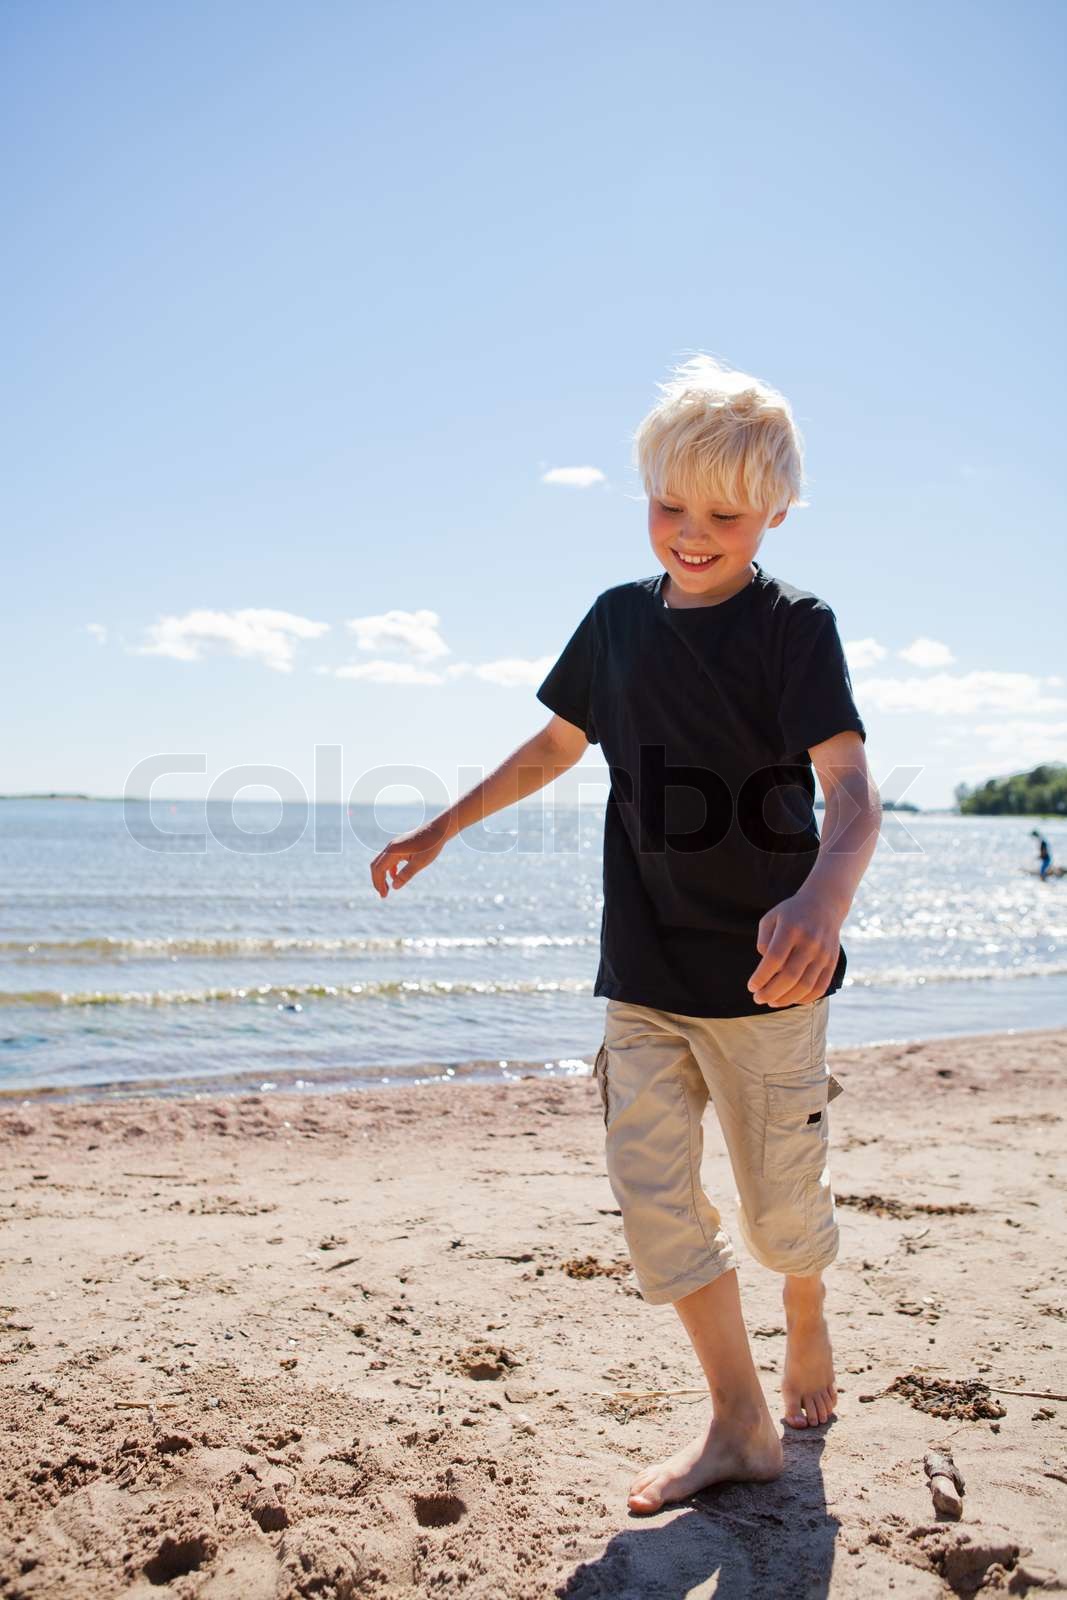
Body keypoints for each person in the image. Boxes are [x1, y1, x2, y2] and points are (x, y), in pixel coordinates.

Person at [370, 353, 882, 1514]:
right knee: (653, 1205)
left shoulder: (794, 628)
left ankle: (803, 1309)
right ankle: (739, 1422)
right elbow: (555, 747)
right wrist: (442, 825)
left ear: (774, 513)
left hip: (766, 978)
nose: (690, 534)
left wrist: (820, 901)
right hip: (643, 969)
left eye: (723, 514)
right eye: (669, 506)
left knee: (780, 1212)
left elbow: (849, 792)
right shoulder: (613, 622)